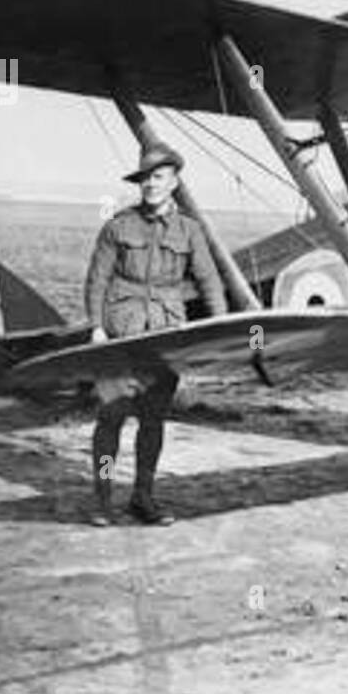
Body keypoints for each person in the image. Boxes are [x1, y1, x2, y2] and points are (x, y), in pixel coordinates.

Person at [83, 144, 227, 527]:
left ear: (174, 182)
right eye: (144, 178)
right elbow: (96, 281)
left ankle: (143, 497)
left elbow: (210, 281)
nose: (150, 184)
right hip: (120, 337)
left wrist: (219, 329)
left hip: (164, 337)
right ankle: (102, 499)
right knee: (111, 418)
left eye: (158, 177)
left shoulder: (190, 231)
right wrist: (96, 327)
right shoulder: (118, 226)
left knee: (152, 421)